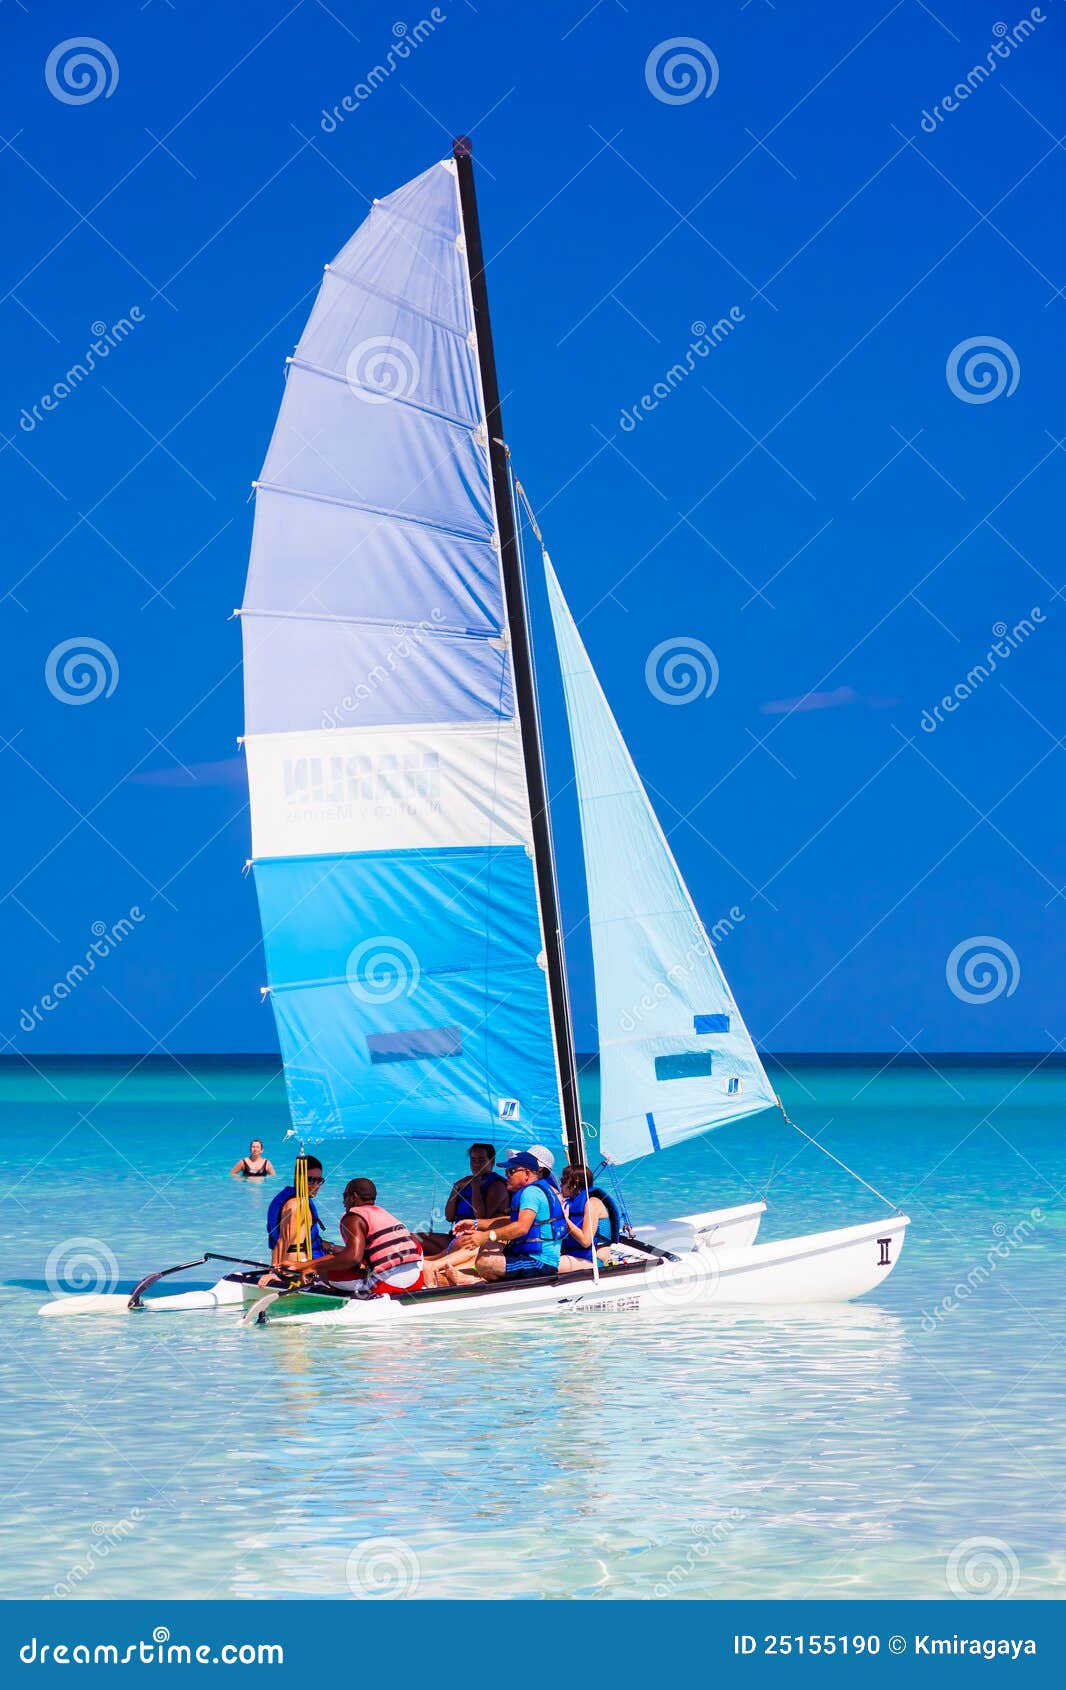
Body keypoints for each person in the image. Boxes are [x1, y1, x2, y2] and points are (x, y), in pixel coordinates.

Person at [446, 1151, 566, 1283]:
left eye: (511, 1171)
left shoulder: (531, 1193)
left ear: (526, 1173)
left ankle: (474, 1281)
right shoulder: (531, 1191)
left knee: (485, 1262)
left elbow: (521, 1228)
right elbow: (509, 1221)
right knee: (488, 1247)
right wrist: (476, 1224)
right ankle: (478, 1279)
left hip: (539, 1262)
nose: (506, 1175)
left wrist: (485, 1236)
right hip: (525, 1255)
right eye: (506, 1171)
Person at [291, 1178, 425, 1296]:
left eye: (344, 1196)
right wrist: (309, 1263)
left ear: (353, 1197)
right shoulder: (384, 1214)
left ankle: (329, 1291)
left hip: (388, 1285)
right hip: (416, 1281)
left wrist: (315, 1268)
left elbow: (353, 1258)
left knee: (324, 1272)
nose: (343, 1202)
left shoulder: (353, 1218)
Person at [419, 1143, 509, 1258]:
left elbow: (481, 1219)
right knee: (410, 1238)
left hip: (472, 1241)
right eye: (473, 1160)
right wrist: (456, 1188)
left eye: (481, 1160)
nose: (476, 1164)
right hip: (455, 1238)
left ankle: (430, 1261)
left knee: (414, 1243)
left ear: (491, 1161)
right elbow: (449, 1216)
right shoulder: (466, 1182)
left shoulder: (497, 1186)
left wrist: (475, 1188)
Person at [260, 1157, 327, 1283]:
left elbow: (301, 1237)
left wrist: (330, 1246)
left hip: (301, 1264)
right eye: (311, 1180)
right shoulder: (297, 1205)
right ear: (298, 1178)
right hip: (299, 1270)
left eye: (319, 1180)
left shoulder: (295, 1198)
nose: (316, 1185)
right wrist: (273, 1273)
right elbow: (283, 1241)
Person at [558, 1162, 621, 1271]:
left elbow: (586, 1241)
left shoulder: (592, 1203)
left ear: (575, 1181)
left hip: (594, 1260)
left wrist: (566, 1220)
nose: (560, 1185)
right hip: (576, 1256)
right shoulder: (569, 1204)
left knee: (552, 1265)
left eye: (563, 1181)